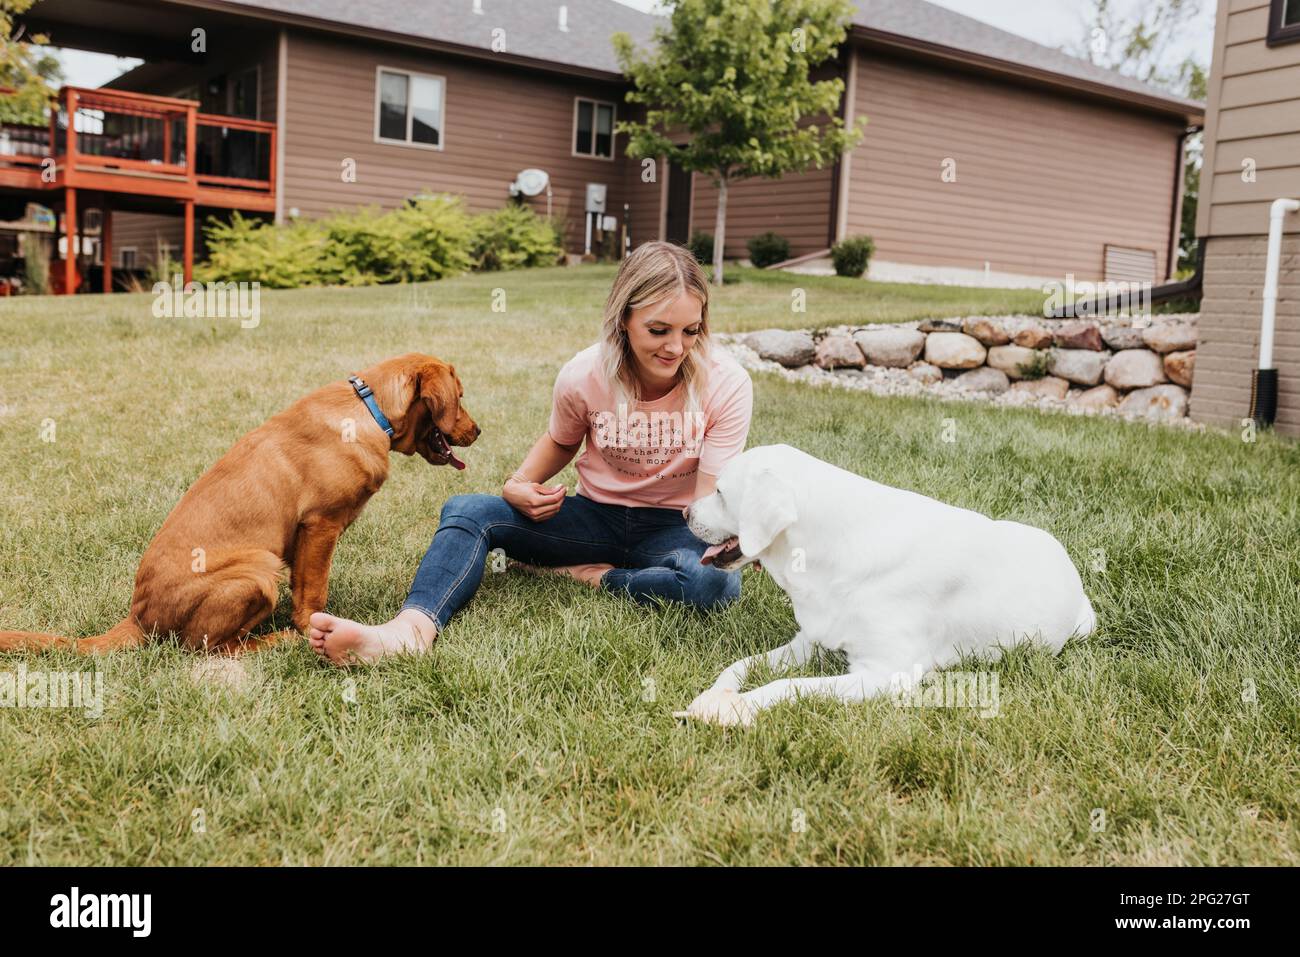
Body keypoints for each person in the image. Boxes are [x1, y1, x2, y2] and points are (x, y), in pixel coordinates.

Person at [309, 241, 754, 665]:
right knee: (468, 511)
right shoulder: (584, 374)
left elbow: (707, 503)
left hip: (675, 525)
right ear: (623, 319)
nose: (676, 347)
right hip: (595, 518)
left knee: (711, 582)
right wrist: (517, 486)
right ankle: (408, 632)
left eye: (690, 331)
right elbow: (562, 441)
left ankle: (590, 575)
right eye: (658, 330)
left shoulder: (726, 383)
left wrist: (725, 545)